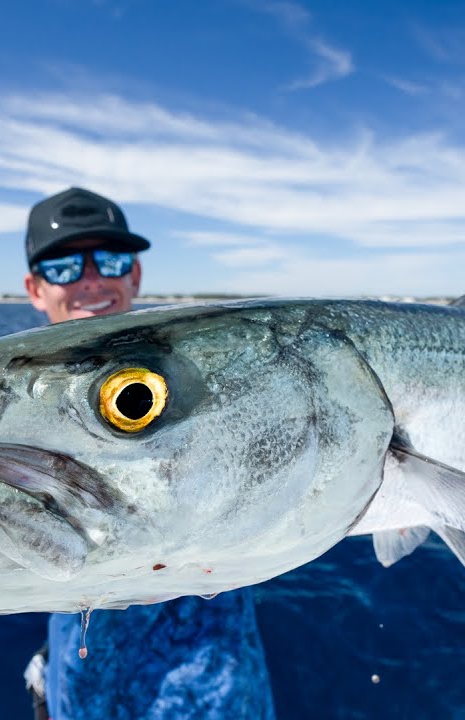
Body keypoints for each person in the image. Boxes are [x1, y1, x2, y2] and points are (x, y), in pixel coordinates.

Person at [19, 187, 276, 720]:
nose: (91, 279)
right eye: (65, 265)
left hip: (217, 699)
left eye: (110, 260)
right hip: (76, 691)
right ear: (35, 288)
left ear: (134, 275)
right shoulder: (14, 415)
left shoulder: (215, 381)